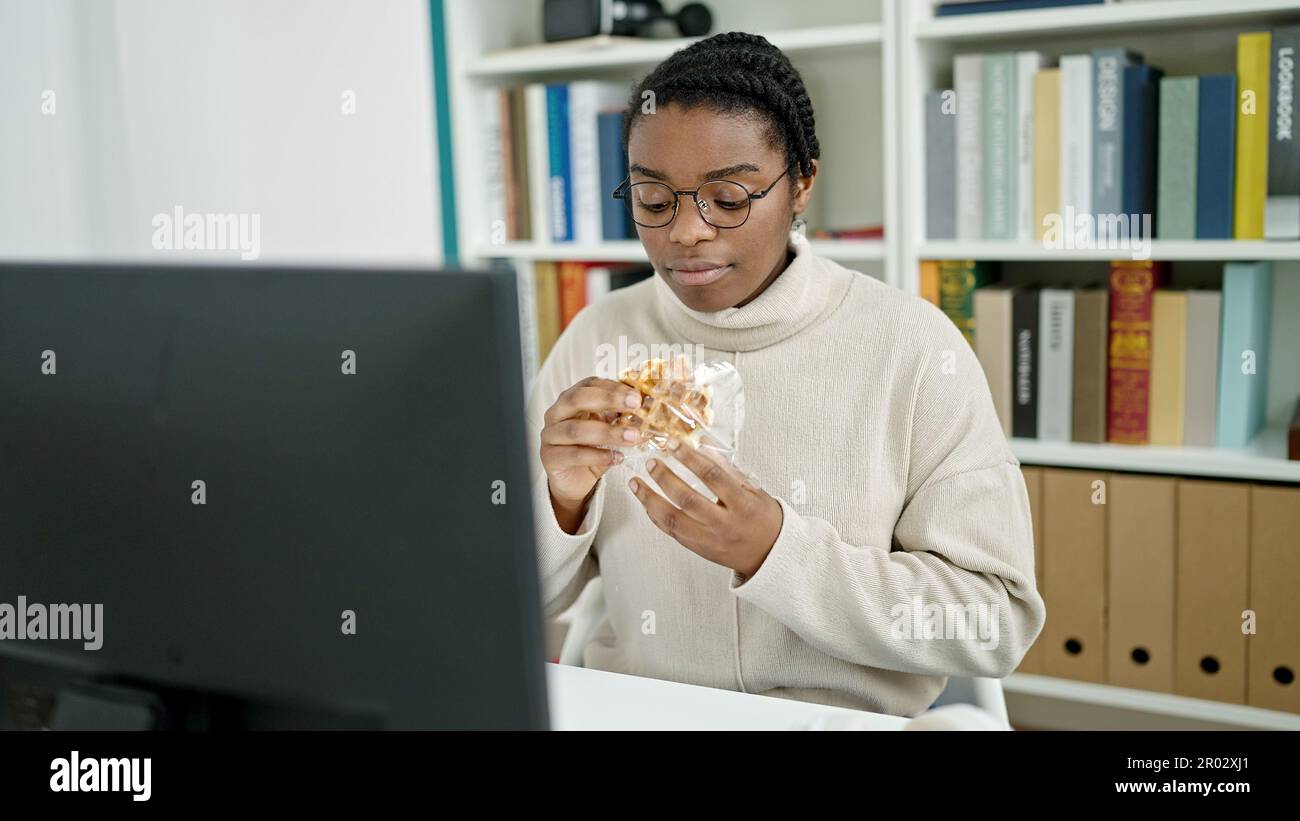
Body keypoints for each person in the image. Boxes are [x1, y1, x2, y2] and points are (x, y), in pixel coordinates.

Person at [526, 31, 1045, 717]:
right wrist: (559, 504)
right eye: (654, 202)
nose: (686, 232)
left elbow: (994, 622)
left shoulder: (911, 347)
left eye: (731, 197)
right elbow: (507, 599)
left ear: (801, 184)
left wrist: (778, 552)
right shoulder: (598, 337)